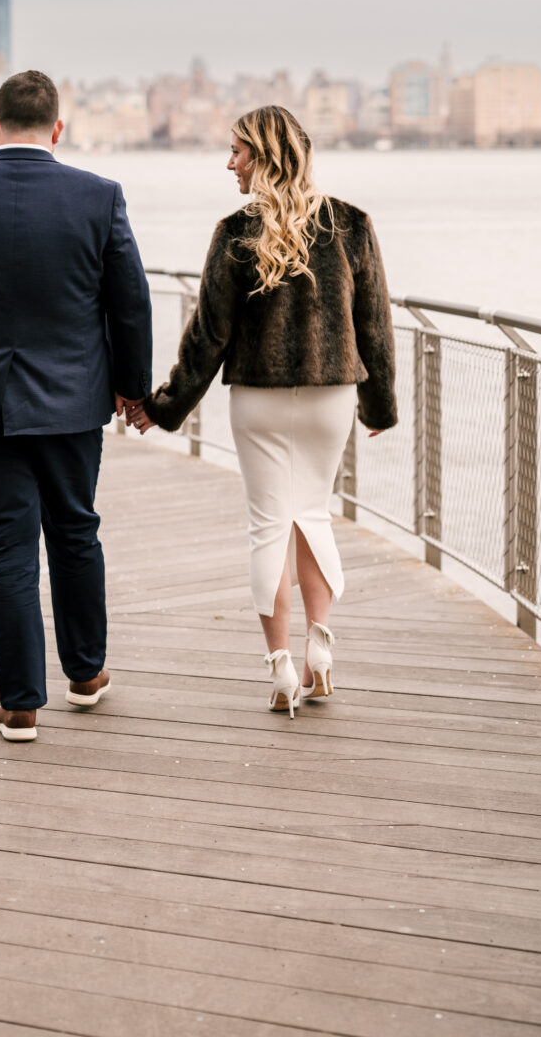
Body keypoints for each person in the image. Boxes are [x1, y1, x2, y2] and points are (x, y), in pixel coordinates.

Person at [0, 70, 152, 742]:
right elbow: (129, 302)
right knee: (75, 531)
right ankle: (86, 675)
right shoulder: (98, 196)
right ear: (57, 129)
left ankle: (19, 706)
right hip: (75, 399)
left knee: (5, 545)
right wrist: (132, 386)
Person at [128, 105, 396, 717]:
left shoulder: (235, 232)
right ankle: (320, 652)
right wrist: (378, 404)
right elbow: (375, 326)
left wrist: (164, 408)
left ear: (265, 156)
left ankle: (280, 668)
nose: (229, 164)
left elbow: (208, 336)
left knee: (269, 525)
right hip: (331, 395)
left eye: (237, 152)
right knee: (313, 515)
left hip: (257, 397)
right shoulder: (350, 224)